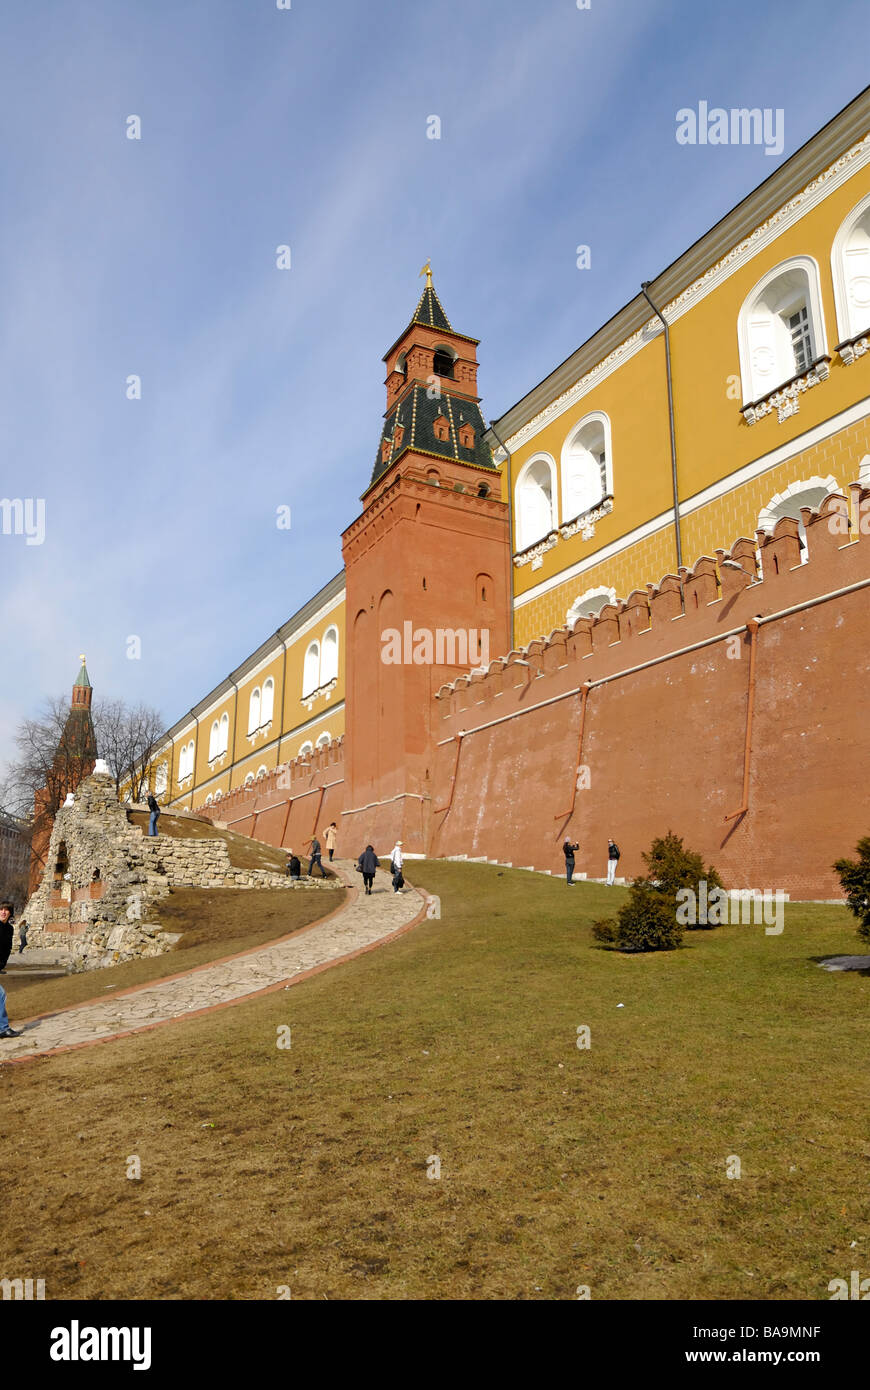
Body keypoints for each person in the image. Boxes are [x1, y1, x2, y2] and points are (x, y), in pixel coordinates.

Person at [0, 902, 13, 973]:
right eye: (1, 909)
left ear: (10, 913)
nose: (3, 912)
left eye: (6, 910)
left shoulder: (10, 929)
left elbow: (7, 948)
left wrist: (2, 965)